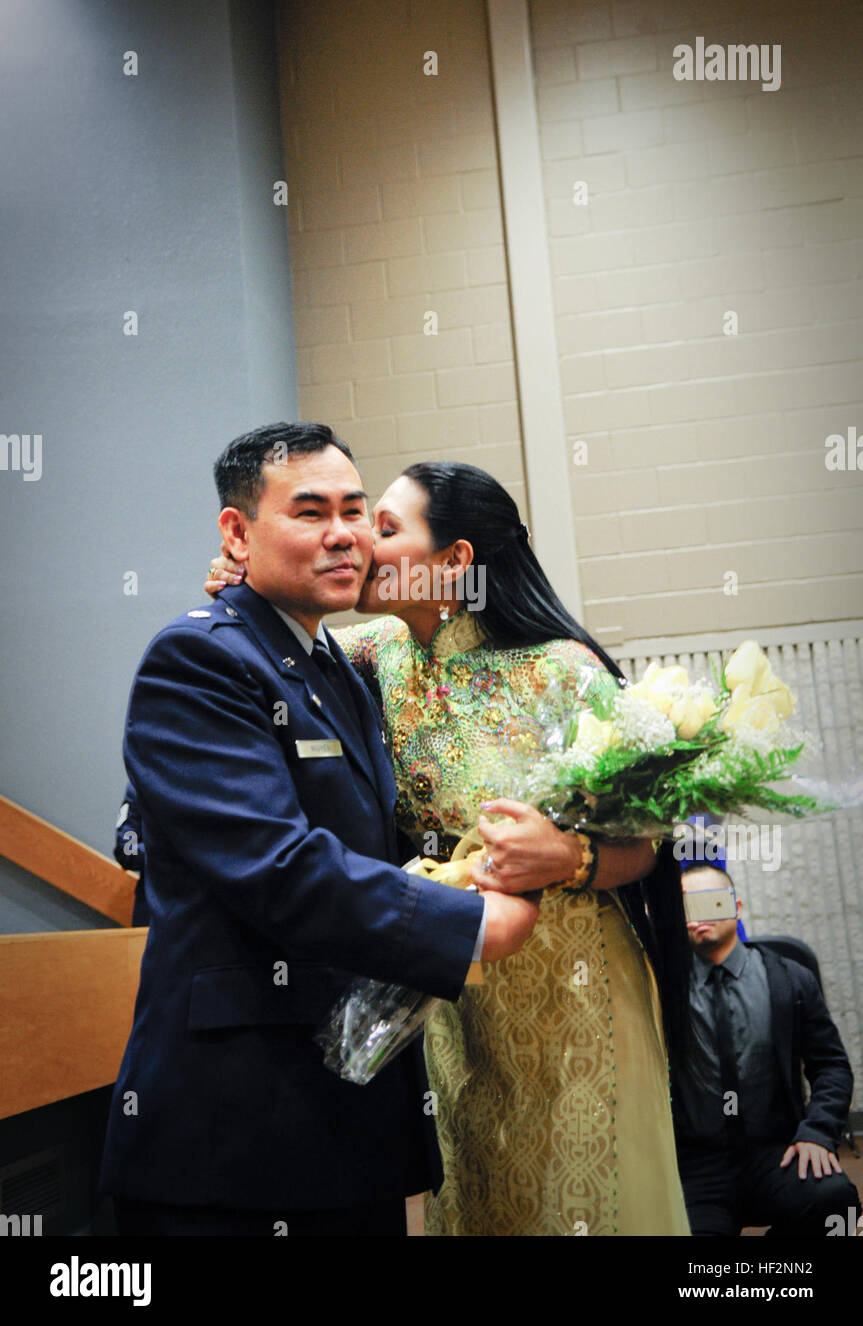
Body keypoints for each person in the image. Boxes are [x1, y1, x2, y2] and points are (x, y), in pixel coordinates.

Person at [208, 458, 693, 1236]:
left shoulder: (559, 672)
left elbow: (648, 843)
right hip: (448, 988)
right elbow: (265, 664)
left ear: (454, 561)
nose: (361, 540)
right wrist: (247, 580)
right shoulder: (368, 661)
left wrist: (571, 858)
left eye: (386, 527)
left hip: (573, 990)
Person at [101, 424, 539, 1238]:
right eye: (309, 513)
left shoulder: (334, 664)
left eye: (353, 511)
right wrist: (468, 922)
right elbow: (278, 866)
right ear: (236, 533)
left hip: (338, 1110)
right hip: (236, 1131)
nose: (343, 535)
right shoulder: (198, 661)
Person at [674, 864, 861, 1236]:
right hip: (698, 1166)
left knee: (836, 1201)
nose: (699, 920)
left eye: (711, 903)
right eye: (687, 910)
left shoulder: (789, 979)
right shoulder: (662, 990)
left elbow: (831, 1067)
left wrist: (817, 1132)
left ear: (736, 907)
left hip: (775, 1150)